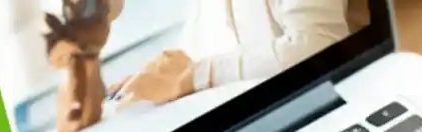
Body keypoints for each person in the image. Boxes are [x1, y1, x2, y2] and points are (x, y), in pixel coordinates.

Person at [114, 0, 350, 105]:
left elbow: (319, 47)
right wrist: (159, 76)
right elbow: (202, 46)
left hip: (329, 105)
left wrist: (196, 74)